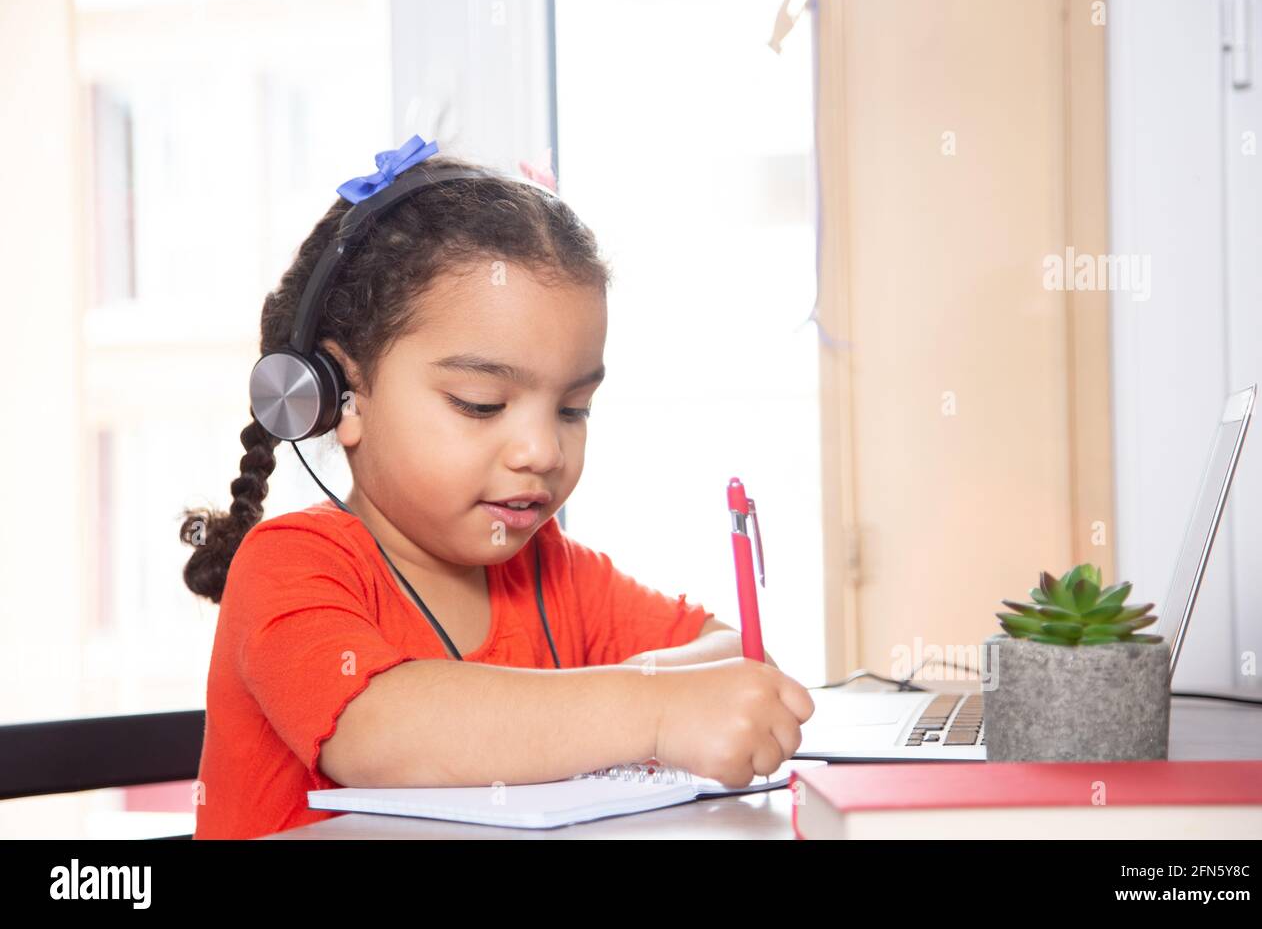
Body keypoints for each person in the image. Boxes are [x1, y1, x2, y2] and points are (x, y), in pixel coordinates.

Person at [179, 142, 814, 839]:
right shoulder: (290, 566)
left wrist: (660, 701)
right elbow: (380, 733)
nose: (543, 450)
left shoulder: (555, 574)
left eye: (573, 409)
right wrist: (653, 710)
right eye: (482, 404)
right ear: (344, 395)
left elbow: (730, 653)